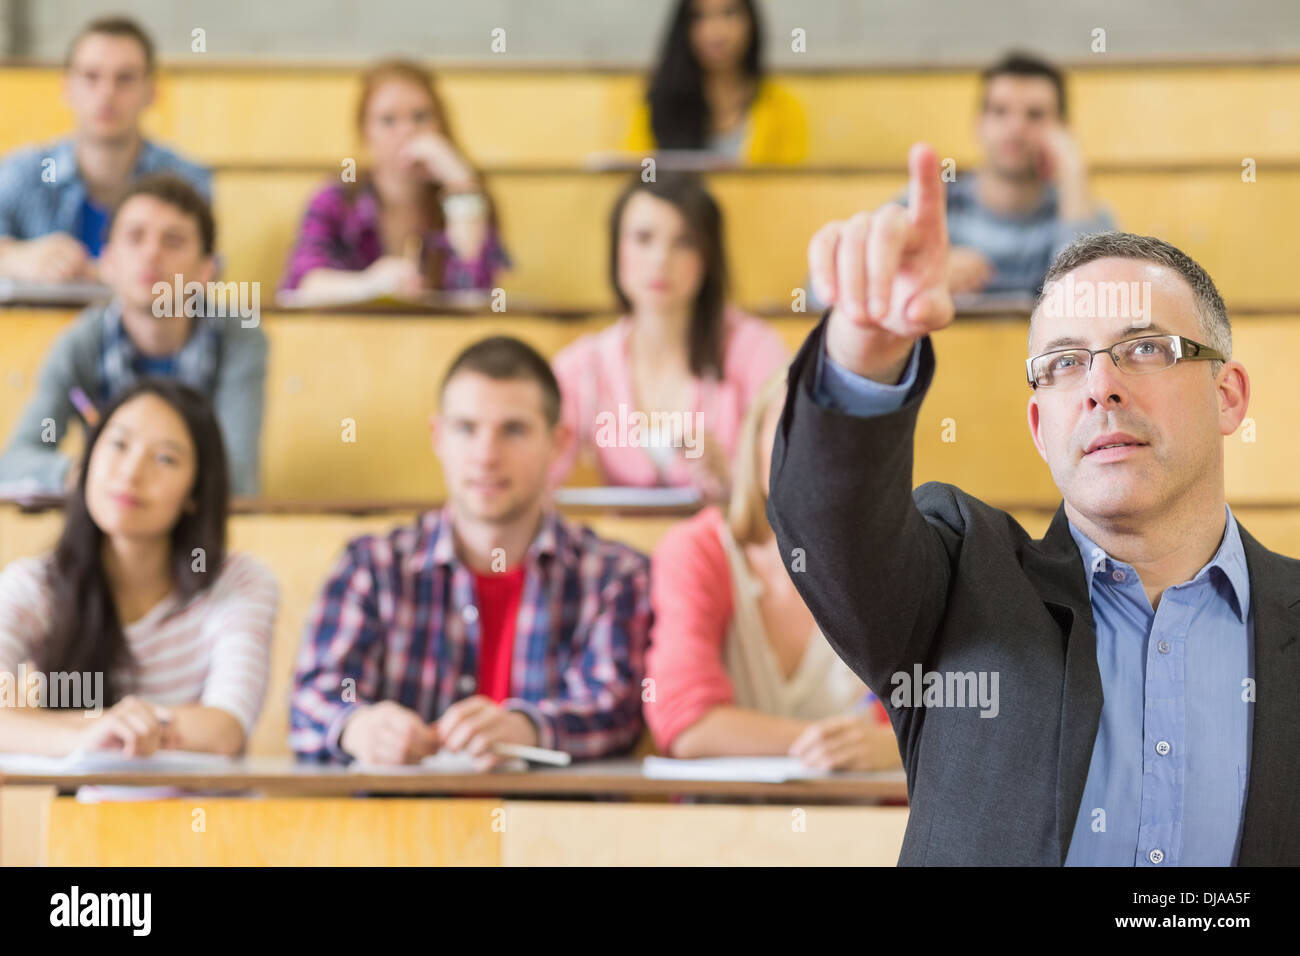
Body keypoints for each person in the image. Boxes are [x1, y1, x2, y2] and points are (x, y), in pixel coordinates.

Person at [769, 141, 1299, 866]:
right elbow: (836, 529)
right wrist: (865, 353)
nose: (1100, 386)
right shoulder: (956, 586)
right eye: (1065, 363)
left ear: (1229, 395)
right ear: (1039, 427)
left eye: (1144, 348)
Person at [291, 336, 652, 765]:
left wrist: (531, 729)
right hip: (400, 827)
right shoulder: (372, 566)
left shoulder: (613, 575)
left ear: (558, 443)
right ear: (437, 436)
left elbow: (618, 710)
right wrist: (357, 727)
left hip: (550, 827)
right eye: (466, 429)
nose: (486, 456)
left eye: (513, 430)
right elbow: (313, 699)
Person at [0, 379, 278, 757]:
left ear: (195, 492)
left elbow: (224, 729)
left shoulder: (239, 581)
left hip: (211, 813)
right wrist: (84, 738)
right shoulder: (33, 585)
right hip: (87, 814)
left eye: (165, 458)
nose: (131, 473)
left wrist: (80, 727)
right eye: (118, 444)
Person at [646, 369, 898, 769]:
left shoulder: (897, 564)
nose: (810, 449)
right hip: (722, 825)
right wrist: (844, 747)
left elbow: (944, 725)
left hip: (864, 827)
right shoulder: (699, 551)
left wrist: (887, 748)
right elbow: (686, 722)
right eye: (791, 427)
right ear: (753, 445)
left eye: (834, 430)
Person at [0, 174, 267, 498]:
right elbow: (14, 463)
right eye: (135, 237)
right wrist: (85, 475)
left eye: (173, 241)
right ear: (108, 262)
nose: (152, 253)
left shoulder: (240, 338)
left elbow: (237, 479)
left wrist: (137, 483)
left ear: (207, 271)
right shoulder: (80, 342)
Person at [550, 173, 789, 500]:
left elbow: (790, 486)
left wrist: (734, 480)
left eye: (685, 242)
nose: (661, 259)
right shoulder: (584, 365)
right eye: (643, 238)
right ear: (617, 248)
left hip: (727, 545)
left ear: (708, 258)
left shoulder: (755, 351)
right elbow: (536, 470)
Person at [0, 16, 211, 281]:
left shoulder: (186, 180)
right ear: (67, 87)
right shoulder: (23, 172)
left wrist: (99, 275)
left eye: (125, 78)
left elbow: (207, 270)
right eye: (91, 76)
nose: (107, 93)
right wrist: (15, 258)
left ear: (151, 91)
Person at [280, 59, 508, 299]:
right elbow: (300, 287)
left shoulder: (468, 196)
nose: (406, 131)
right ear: (365, 131)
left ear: (441, 124)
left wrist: (460, 183)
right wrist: (370, 284)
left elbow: (475, 289)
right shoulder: (336, 200)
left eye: (420, 117)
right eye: (388, 120)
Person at [943, 52, 1113, 295]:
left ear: (1062, 130)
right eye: (1000, 111)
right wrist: (923, 274)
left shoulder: (1086, 214)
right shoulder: (932, 205)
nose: (1016, 128)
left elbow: (1090, 298)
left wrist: (1073, 172)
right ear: (979, 123)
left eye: (1035, 115)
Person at [626, 0, 807, 165]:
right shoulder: (658, 104)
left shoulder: (782, 108)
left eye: (729, 13)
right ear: (684, 28)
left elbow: (791, 191)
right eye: (699, 17)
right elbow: (635, 180)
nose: (715, 32)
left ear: (751, 22)